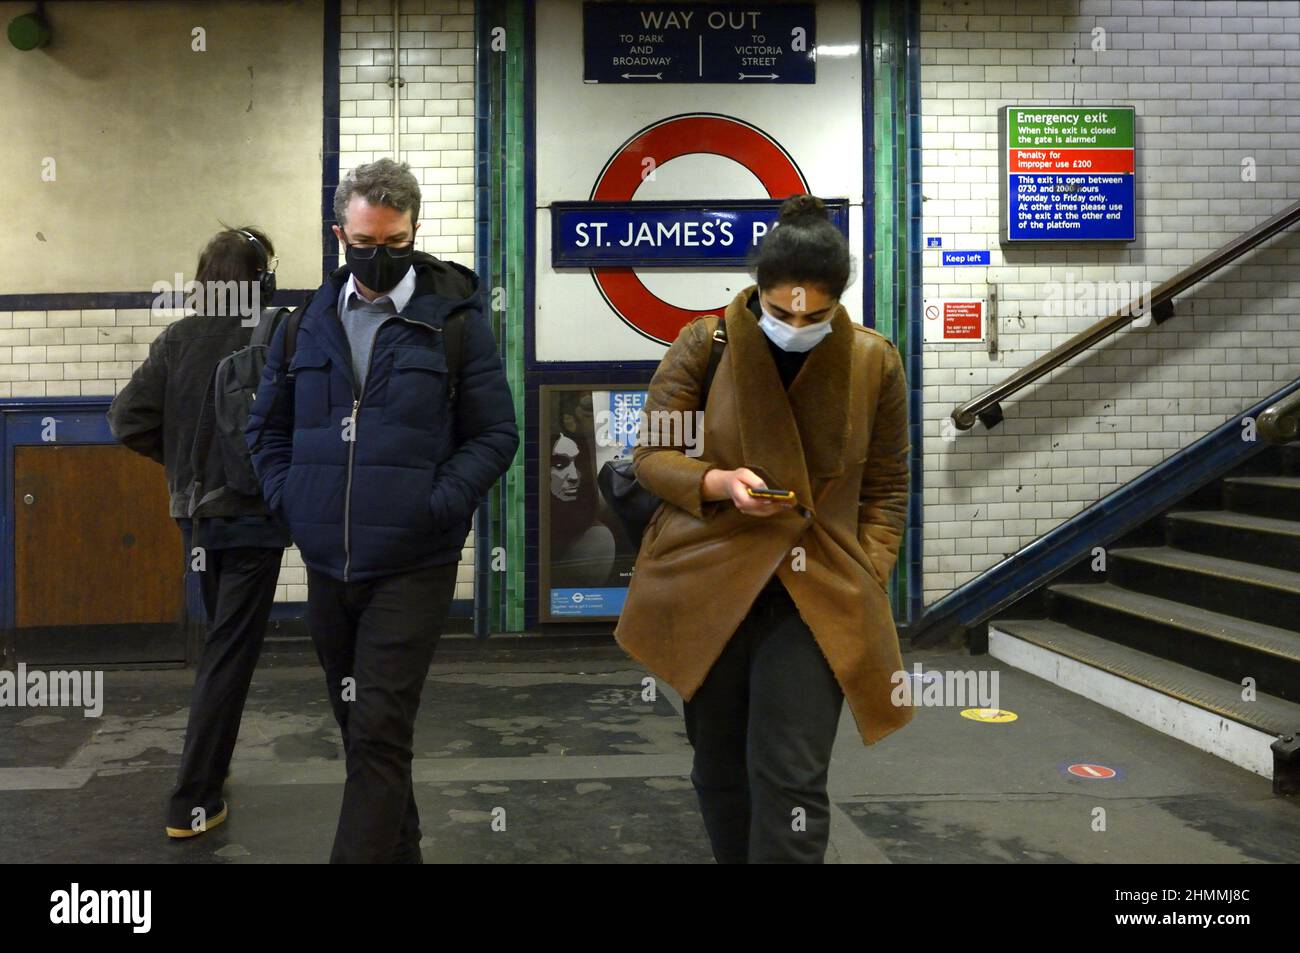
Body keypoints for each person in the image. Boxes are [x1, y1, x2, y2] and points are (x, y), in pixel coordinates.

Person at [614, 194, 913, 863]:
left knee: (792, 779)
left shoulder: (873, 361)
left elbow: (888, 484)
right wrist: (718, 483)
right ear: (757, 291)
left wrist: (867, 568)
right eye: (781, 311)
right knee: (718, 767)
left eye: (817, 314)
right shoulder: (706, 341)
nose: (797, 323)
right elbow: (652, 457)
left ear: (838, 300)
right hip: (711, 579)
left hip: (817, 590)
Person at [245, 158, 519, 864]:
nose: (378, 257)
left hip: (414, 561)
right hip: (327, 561)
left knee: (377, 728)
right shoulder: (302, 323)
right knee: (361, 727)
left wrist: (437, 504)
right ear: (340, 233)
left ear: (414, 232)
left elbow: (496, 432)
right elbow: (264, 428)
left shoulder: (454, 320)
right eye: (363, 242)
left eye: (395, 244)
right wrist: (292, 500)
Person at [107, 226, 292, 839]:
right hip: (255, 520)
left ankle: (208, 777)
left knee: (220, 644)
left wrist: (184, 467)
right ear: (262, 278)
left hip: (198, 519)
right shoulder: (278, 332)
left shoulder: (177, 338)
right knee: (228, 655)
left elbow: (127, 419)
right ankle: (194, 796)